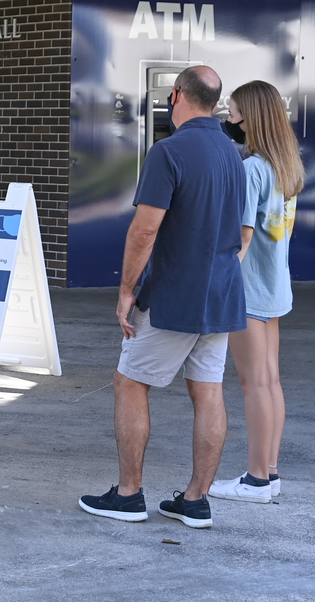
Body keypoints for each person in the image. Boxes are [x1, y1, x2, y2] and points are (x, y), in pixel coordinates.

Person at [78, 66, 246, 530]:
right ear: (215, 101)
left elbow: (145, 229)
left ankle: (129, 495)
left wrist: (127, 290)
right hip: (222, 293)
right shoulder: (234, 154)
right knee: (208, 392)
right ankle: (196, 500)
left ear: (175, 97)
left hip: (174, 293)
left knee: (130, 382)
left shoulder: (168, 151)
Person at [208, 80, 304, 504]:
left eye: (231, 112)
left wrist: (218, 286)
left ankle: (255, 480)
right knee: (271, 381)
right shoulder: (286, 167)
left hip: (249, 290)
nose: (228, 119)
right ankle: (270, 470)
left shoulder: (251, 170)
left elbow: (241, 240)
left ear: (250, 117)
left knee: (253, 384)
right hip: (275, 287)